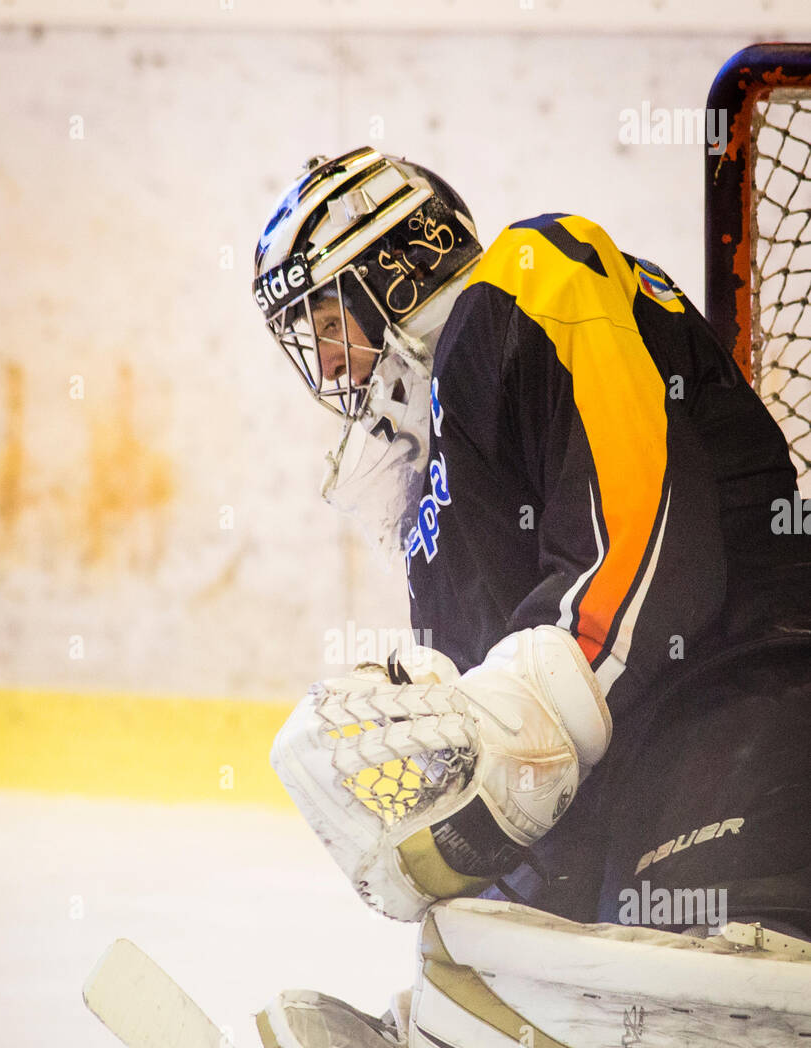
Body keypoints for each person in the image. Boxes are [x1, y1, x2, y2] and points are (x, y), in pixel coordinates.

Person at [253, 147, 811, 940]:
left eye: (333, 324)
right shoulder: (435, 492)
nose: (332, 363)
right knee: (526, 957)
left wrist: (528, 721)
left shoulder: (530, 278)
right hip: (643, 746)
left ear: (403, 271)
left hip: (752, 684)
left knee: (704, 941)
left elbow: (647, 531)